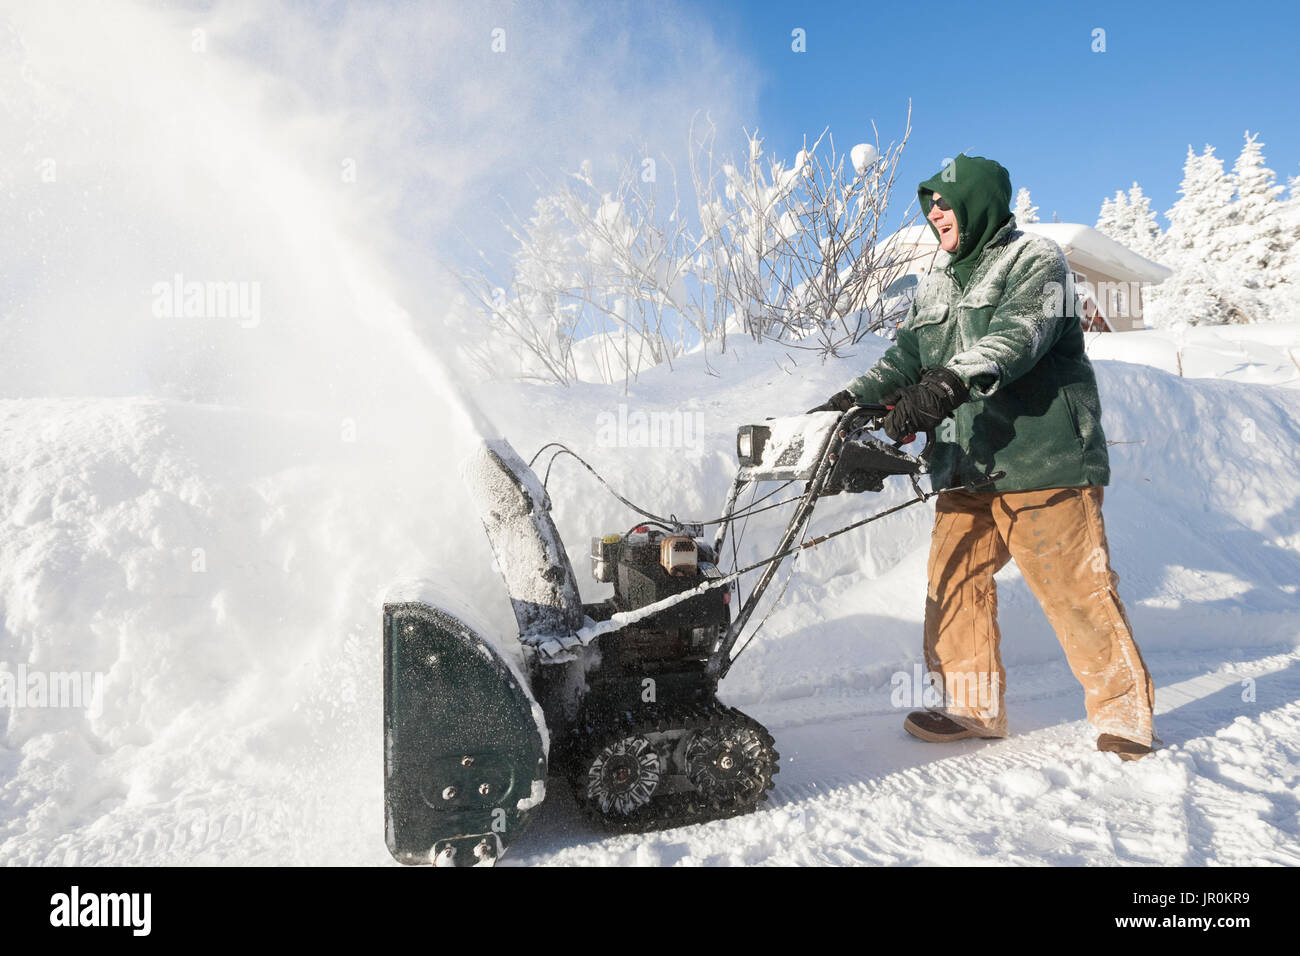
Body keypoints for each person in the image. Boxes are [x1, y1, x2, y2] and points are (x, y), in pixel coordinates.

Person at [810, 154, 1157, 760]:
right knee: (954, 582)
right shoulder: (936, 284)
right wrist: (847, 403)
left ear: (979, 201)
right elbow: (902, 363)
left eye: (945, 201)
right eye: (929, 206)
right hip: (966, 464)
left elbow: (1018, 336)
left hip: (1041, 459)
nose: (935, 213)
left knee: (1074, 589)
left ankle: (1124, 712)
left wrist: (944, 385)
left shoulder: (1037, 261)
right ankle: (971, 706)